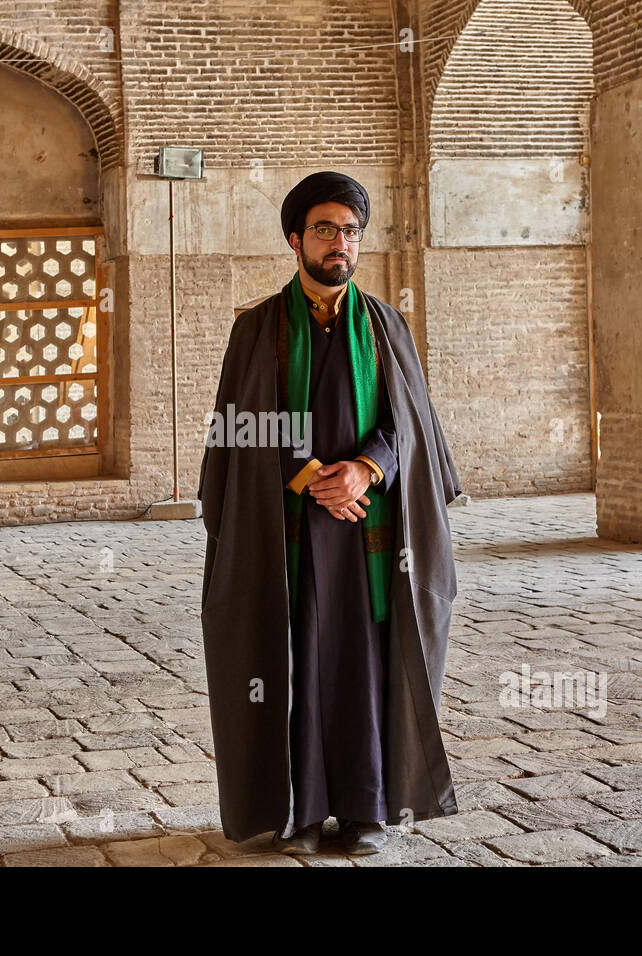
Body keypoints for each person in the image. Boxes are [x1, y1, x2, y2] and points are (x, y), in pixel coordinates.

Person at [197, 171, 462, 856]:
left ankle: (368, 810)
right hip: (287, 531)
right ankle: (302, 814)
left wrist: (366, 469)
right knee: (298, 666)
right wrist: (315, 475)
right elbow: (239, 428)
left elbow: (413, 427)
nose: (338, 242)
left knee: (366, 666)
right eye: (324, 229)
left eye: (349, 231)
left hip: (371, 534)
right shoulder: (256, 329)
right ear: (295, 239)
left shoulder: (386, 325)